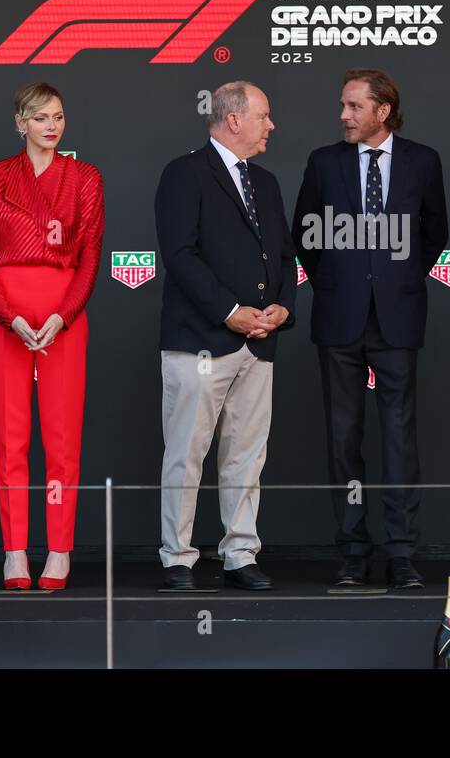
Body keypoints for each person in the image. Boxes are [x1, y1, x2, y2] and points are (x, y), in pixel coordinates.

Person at [291, 68, 448, 589]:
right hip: (339, 319)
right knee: (343, 439)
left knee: (400, 439)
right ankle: (353, 550)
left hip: (398, 318)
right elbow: (305, 236)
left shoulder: (423, 161)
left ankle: (402, 551)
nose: (343, 115)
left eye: (354, 106)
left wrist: (393, 281)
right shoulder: (323, 161)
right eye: (343, 105)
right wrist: (340, 282)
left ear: (383, 111)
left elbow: (433, 235)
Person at [154, 81, 296, 591]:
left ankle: (239, 552)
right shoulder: (184, 174)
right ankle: (177, 556)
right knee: (186, 452)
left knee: (246, 455)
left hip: (259, 344)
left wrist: (281, 307)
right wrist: (230, 311)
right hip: (200, 341)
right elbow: (180, 255)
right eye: (264, 115)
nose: (271, 125)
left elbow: (283, 257)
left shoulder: (267, 182)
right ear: (234, 119)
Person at [0, 82, 104, 591]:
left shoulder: (85, 177)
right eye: (41, 117)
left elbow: (91, 253)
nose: (52, 126)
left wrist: (64, 314)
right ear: (20, 123)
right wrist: (9, 316)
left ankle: (59, 549)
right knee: (10, 438)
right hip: (6, 316)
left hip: (62, 315)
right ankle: (15, 551)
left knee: (62, 438)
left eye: (58, 117)